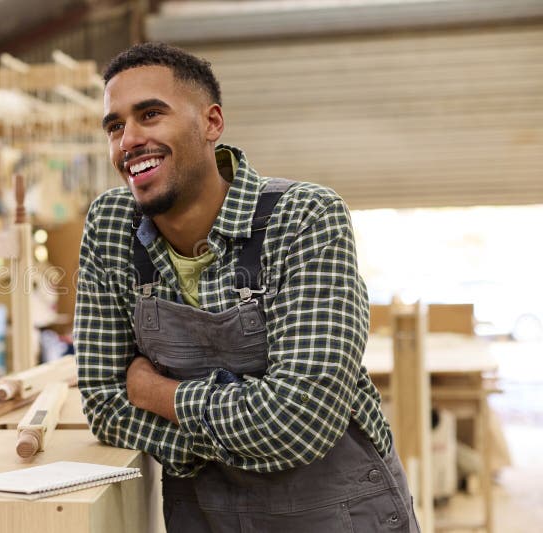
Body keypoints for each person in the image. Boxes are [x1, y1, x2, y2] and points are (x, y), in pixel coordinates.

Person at [74, 42, 420, 532]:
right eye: (115, 126)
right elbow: (105, 403)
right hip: (205, 516)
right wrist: (242, 426)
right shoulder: (110, 225)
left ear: (212, 123)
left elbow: (303, 420)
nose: (128, 139)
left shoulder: (304, 217)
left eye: (150, 115)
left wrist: (159, 393)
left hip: (336, 512)